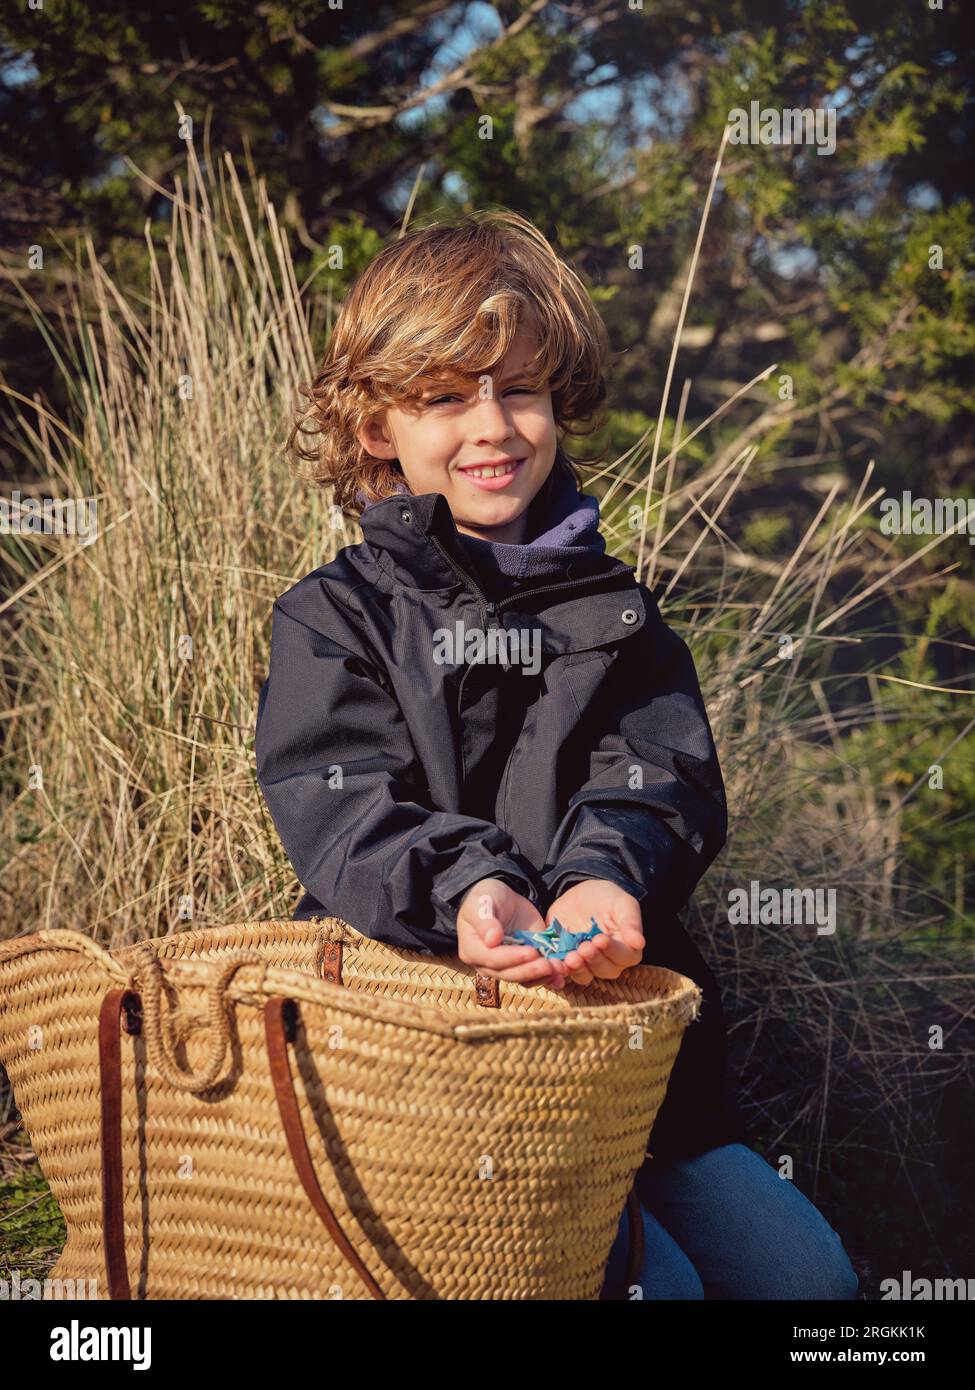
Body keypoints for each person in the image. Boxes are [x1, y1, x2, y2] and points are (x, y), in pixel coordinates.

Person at [254, 209, 858, 1300]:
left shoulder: (623, 611)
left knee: (807, 1280)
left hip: (618, 1060)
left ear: (557, 402)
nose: (491, 424)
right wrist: (471, 888)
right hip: (433, 1057)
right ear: (378, 423)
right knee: (654, 1288)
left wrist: (606, 875)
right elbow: (339, 804)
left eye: (519, 389)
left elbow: (659, 775)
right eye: (445, 395)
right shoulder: (330, 619)